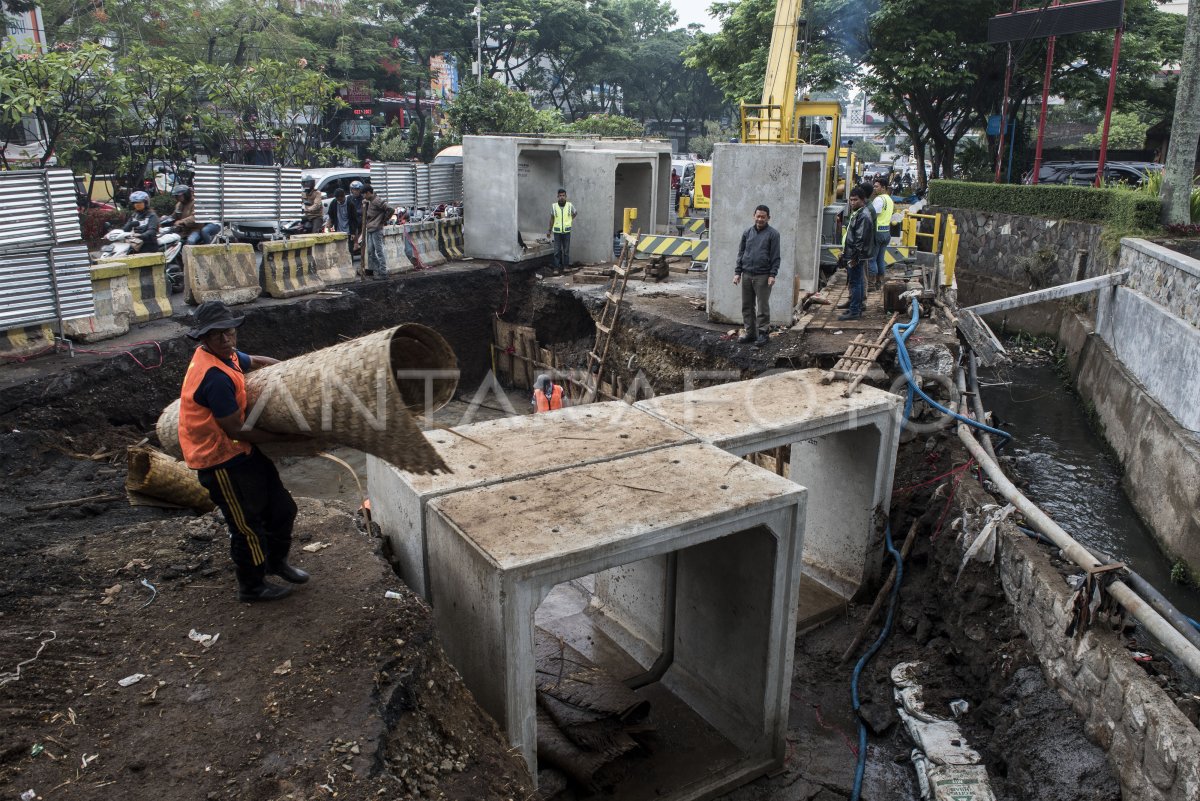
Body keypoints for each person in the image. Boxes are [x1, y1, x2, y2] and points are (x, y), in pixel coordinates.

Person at [177, 301, 309, 603]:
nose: (226, 339)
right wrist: (285, 438)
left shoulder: (227, 355)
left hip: (240, 451)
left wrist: (291, 373)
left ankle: (276, 562)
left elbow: (255, 360)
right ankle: (252, 586)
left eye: (229, 332)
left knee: (283, 508)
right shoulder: (214, 378)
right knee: (247, 526)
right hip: (219, 460)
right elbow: (236, 430)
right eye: (217, 335)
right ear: (204, 339)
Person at [732, 204, 780, 346]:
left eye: (763, 217)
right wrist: (737, 273)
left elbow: (776, 256)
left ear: (768, 218)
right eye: (758, 216)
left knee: (762, 307)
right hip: (747, 274)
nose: (760, 219)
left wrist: (772, 275)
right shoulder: (747, 233)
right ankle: (750, 333)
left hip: (763, 276)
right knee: (747, 306)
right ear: (754, 216)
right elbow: (741, 253)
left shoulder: (773, 234)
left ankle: (763, 334)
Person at [838, 184, 878, 321]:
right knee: (858, 281)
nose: (852, 202)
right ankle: (856, 307)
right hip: (852, 253)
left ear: (862, 200)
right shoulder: (859, 213)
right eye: (851, 200)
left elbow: (860, 239)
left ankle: (855, 310)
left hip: (855, 254)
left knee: (856, 283)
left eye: (855, 200)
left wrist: (854, 257)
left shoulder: (863, 216)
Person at [359, 185, 395, 276]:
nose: (363, 197)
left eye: (364, 194)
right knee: (370, 252)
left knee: (379, 251)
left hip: (376, 229)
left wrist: (383, 220)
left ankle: (383, 272)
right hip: (370, 229)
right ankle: (379, 270)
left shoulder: (377, 200)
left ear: (368, 193)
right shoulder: (371, 201)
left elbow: (391, 209)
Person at [869, 177, 894, 291]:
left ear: (883, 187)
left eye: (876, 186)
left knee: (872, 259)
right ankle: (880, 282)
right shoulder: (889, 199)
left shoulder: (879, 199)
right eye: (874, 186)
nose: (874, 188)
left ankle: (871, 283)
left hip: (877, 232)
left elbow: (873, 214)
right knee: (880, 259)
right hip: (886, 232)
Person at [548, 188, 576, 276]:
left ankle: (566, 267)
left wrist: (569, 220)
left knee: (566, 250)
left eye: (563, 195)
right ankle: (556, 268)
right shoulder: (554, 206)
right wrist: (549, 230)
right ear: (557, 196)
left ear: (566, 196)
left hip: (566, 232)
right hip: (557, 232)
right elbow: (552, 219)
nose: (562, 197)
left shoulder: (570, 205)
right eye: (560, 196)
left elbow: (575, 213)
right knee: (557, 251)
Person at [327, 187, 359, 255]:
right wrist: (329, 226)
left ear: (344, 196)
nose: (340, 201)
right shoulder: (334, 203)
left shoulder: (350, 204)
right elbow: (330, 216)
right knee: (339, 251)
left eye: (341, 200)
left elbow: (354, 220)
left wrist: (353, 233)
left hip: (349, 231)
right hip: (338, 231)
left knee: (349, 250)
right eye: (338, 200)